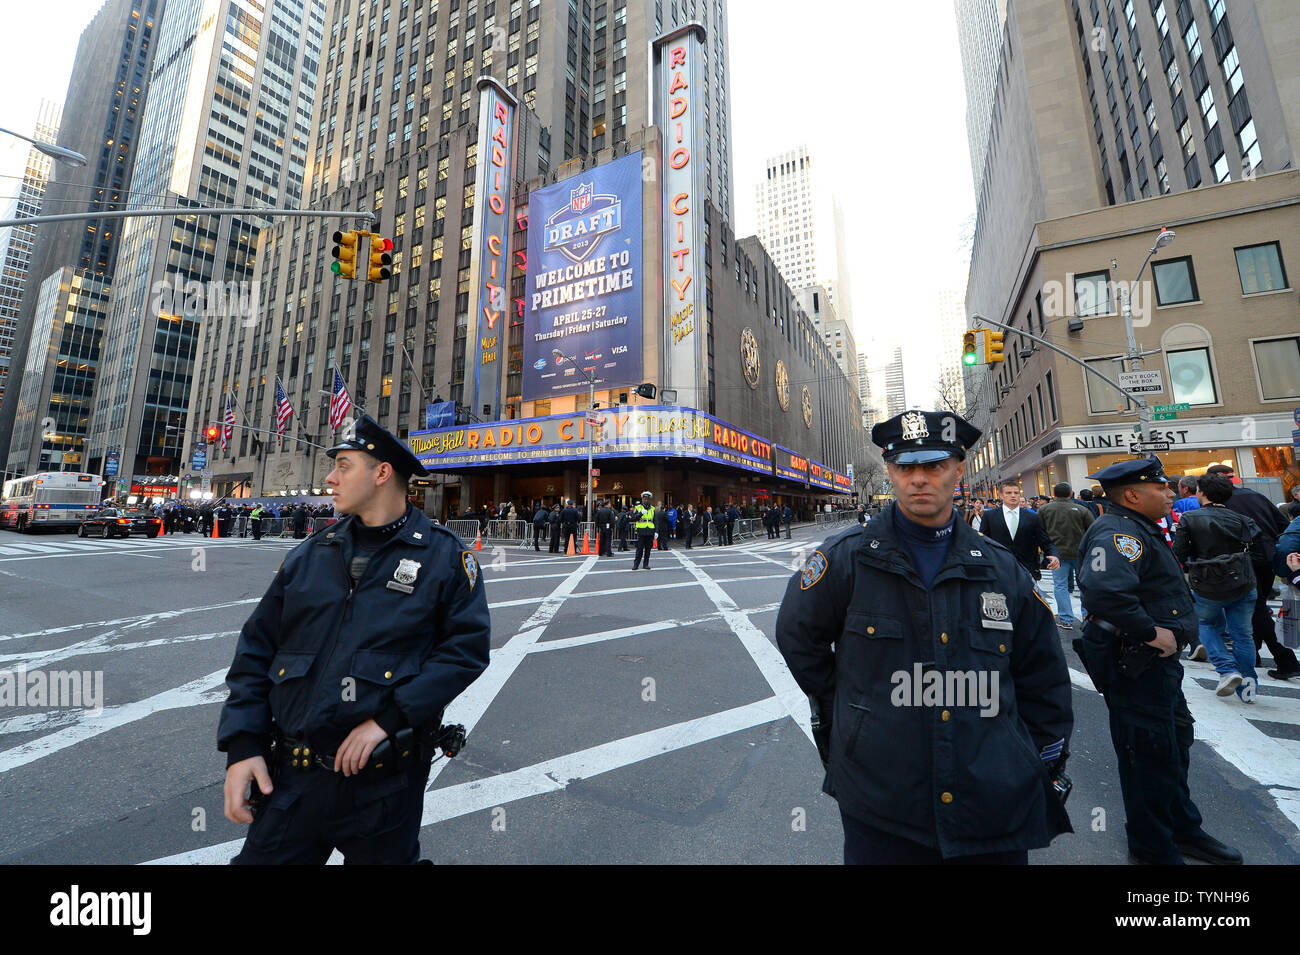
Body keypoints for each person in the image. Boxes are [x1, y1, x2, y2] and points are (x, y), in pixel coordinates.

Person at [775, 409, 1072, 864]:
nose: (919, 479)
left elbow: (1043, 674)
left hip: (989, 799)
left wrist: (1029, 756)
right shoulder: (846, 559)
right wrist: (858, 715)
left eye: (933, 466)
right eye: (905, 467)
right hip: (882, 800)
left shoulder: (1001, 568)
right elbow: (799, 639)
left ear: (958, 468)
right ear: (890, 471)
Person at [218, 414, 491, 864]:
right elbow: (255, 650)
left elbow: (464, 654)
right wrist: (243, 745)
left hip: (385, 785)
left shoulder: (444, 558)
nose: (330, 477)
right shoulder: (311, 553)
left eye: (344, 465)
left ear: (382, 473)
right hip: (294, 780)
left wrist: (388, 718)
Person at [1076, 456, 1242, 865]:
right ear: (1133, 495)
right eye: (1161, 488)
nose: (1171, 494)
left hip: (1156, 667)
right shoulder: (1117, 532)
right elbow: (1104, 593)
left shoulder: (1137, 527)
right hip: (1137, 663)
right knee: (1147, 755)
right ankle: (1152, 847)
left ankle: (1182, 828)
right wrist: (1151, 633)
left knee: (1172, 744)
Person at [1172, 472, 1268, 700]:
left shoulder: (1189, 518)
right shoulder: (1245, 520)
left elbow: (1179, 553)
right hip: (1243, 581)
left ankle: (1226, 670)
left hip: (1207, 582)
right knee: (1243, 634)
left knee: (1205, 624)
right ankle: (1248, 685)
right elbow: (1258, 552)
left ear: (1200, 493)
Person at [1206, 464, 1300, 680]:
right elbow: (1283, 524)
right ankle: (1253, 654)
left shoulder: (1219, 505)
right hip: (1268, 557)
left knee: (1254, 608)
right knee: (1255, 605)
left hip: (1242, 560)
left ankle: (1286, 660)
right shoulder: (1254, 496)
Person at [1037, 483, 1095, 630]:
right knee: (1084, 585)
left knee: (1060, 585)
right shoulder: (1082, 509)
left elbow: (1038, 529)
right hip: (1080, 552)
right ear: (1071, 494)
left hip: (1056, 552)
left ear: (1054, 495)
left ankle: (1065, 618)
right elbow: (1093, 529)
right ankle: (1086, 616)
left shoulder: (1044, 509)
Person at [978, 480, 1060, 586]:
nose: (1013, 496)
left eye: (1016, 493)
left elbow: (1045, 541)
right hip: (999, 569)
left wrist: (1054, 555)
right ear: (1001, 496)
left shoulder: (1032, 517)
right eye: (1008, 493)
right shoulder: (990, 516)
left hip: (1027, 570)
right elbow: (983, 541)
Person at [631, 491, 657, 570]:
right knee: (639, 549)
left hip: (650, 531)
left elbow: (655, 521)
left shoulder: (653, 508)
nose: (646, 500)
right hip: (641, 531)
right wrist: (640, 513)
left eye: (647, 499)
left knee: (648, 549)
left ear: (649, 500)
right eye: (644, 499)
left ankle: (646, 564)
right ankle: (636, 564)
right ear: (642, 499)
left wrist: (656, 531)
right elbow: (633, 518)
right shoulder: (638, 507)